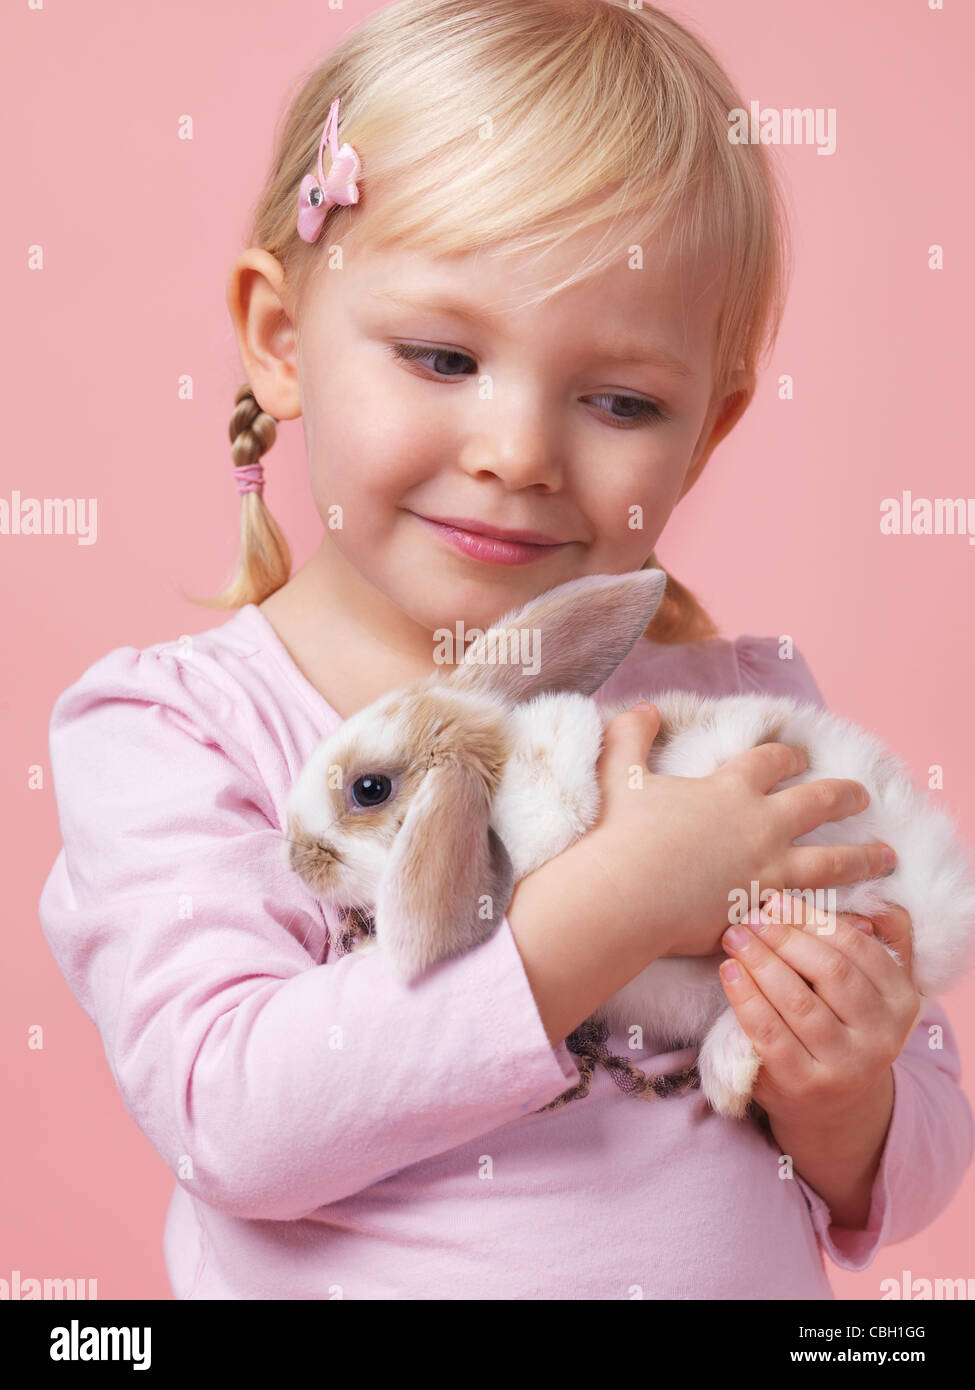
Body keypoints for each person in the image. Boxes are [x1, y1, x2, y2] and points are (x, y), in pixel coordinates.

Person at [39, 0, 972, 1300]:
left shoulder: (741, 718)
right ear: (279, 338)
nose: (520, 451)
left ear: (707, 429)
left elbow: (918, 1151)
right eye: (441, 355)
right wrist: (609, 909)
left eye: (622, 401)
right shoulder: (181, 730)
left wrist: (848, 1089)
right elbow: (232, 1114)